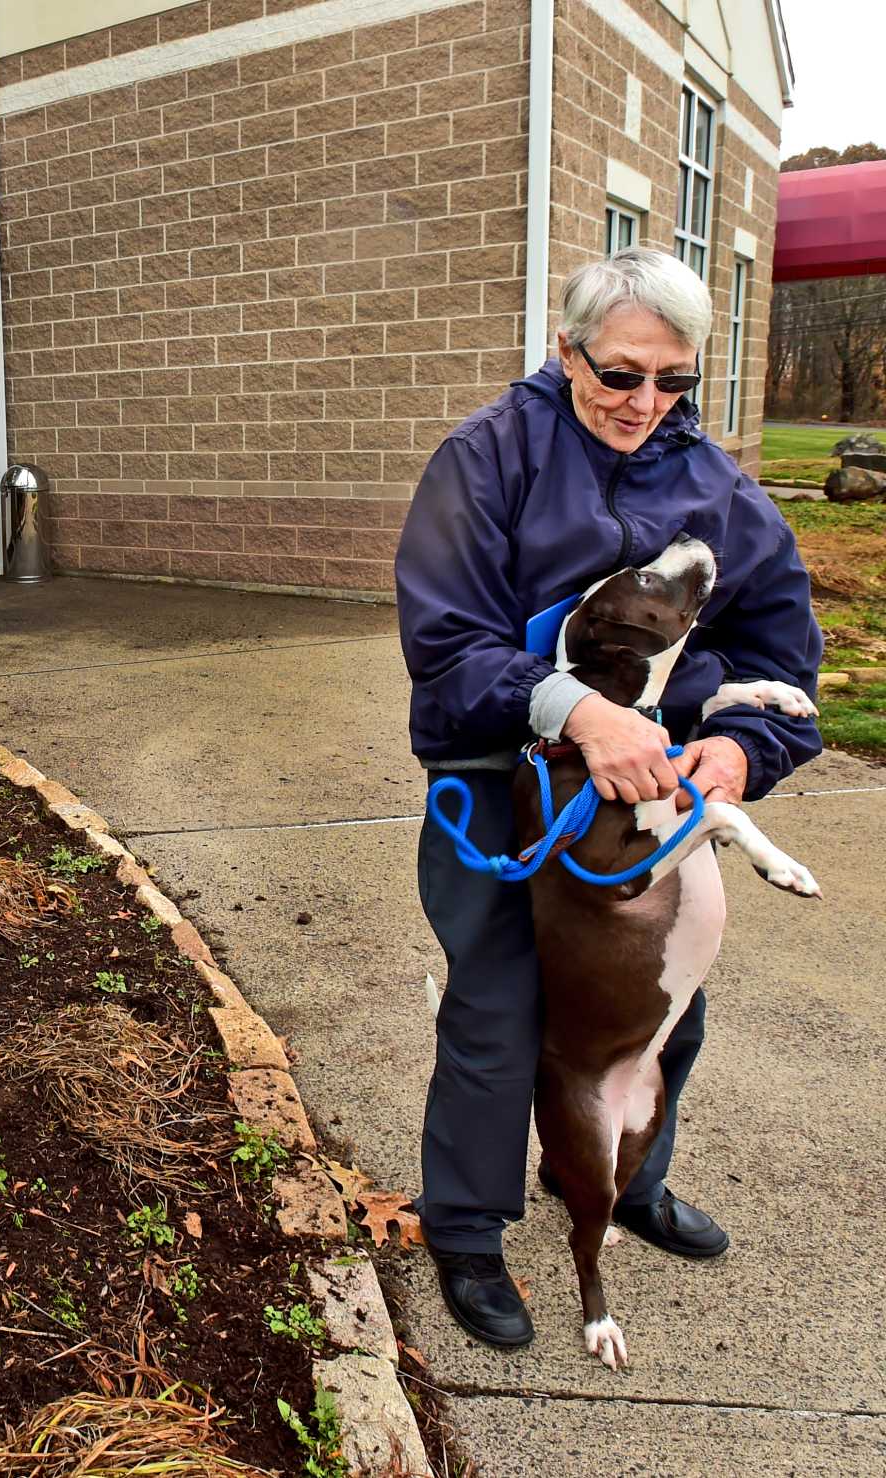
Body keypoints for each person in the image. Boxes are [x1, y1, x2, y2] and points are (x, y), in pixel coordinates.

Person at [393, 246, 822, 1348]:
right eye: (619, 373)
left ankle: (626, 1179)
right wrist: (576, 712)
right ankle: (467, 1227)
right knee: (494, 1007)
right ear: (563, 348)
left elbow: (773, 645)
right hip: (502, 780)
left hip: (652, 792)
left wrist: (733, 750)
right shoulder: (486, 458)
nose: (643, 403)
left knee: (658, 1008)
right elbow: (446, 645)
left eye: (672, 380)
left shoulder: (715, 484)